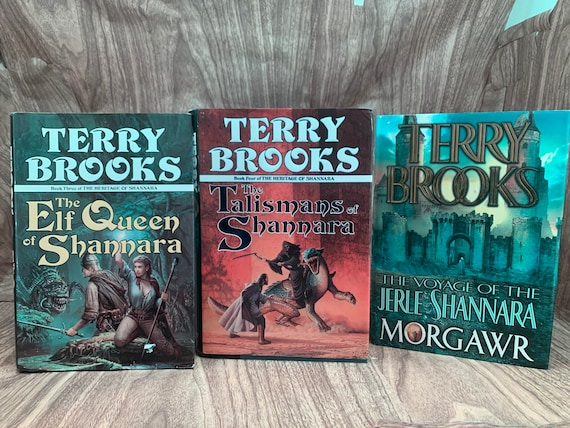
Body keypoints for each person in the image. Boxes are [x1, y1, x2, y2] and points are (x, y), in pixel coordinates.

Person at [113, 252, 179, 358]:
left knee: (165, 347)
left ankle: (178, 356)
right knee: (119, 341)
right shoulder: (131, 276)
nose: (136, 269)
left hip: (148, 319)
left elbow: (156, 305)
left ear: (147, 268)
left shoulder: (153, 283)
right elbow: (118, 260)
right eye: (135, 267)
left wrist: (162, 300)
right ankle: (138, 331)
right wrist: (119, 244)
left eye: (140, 267)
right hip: (133, 316)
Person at [66, 253, 127, 337]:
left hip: (108, 327)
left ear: (92, 267)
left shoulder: (92, 286)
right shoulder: (111, 276)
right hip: (124, 324)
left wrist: (74, 329)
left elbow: (91, 314)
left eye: (84, 268)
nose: (82, 271)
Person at [219, 273, 272, 345]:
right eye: (266, 278)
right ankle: (261, 340)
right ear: (263, 279)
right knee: (261, 320)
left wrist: (268, 298)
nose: (267, 280)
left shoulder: (258, 287)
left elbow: (258, 295)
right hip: (250, 305)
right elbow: (244, 293)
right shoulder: (255, 285)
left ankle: (232, 333)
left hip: (250, 305)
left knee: (237, 317)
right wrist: (246, 303)